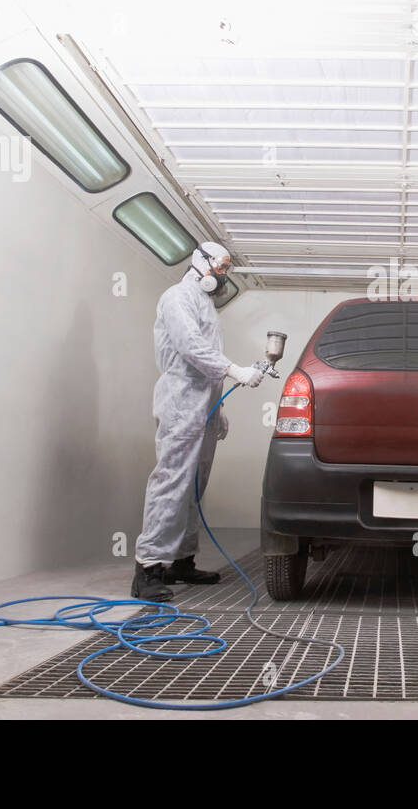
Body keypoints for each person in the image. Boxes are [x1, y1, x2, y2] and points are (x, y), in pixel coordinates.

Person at [131, 241, 263, 602]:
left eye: (226, 270)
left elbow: (206, 358)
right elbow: (190, 347)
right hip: (180, 402)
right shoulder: (177, 297)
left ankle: (181, 561)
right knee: (171, 480)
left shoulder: (203, 302)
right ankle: (148, 568)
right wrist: (235, 369)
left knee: (194, 486)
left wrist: (216, 411)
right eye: (220, 267)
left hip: (201, 406)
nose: (223, 275)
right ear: (200, 263)